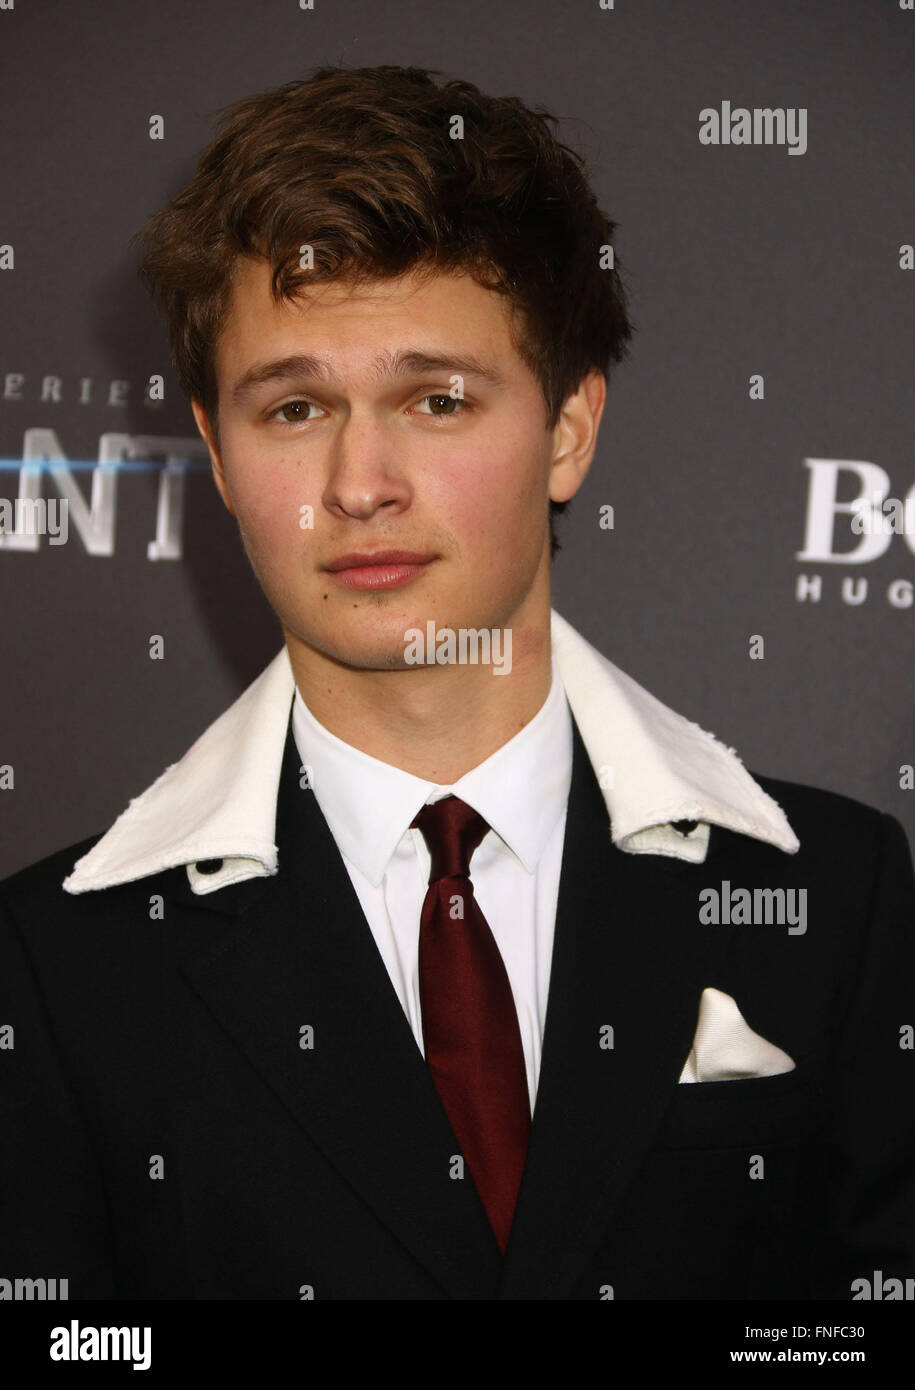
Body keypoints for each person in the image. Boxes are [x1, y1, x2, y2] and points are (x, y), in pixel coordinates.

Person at [1, 64, 912, 1302]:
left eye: (436, 399)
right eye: (294, 407)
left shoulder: (835, 897)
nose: (361, 479)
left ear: (569, 430)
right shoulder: (56, 965)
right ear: (215, 453)